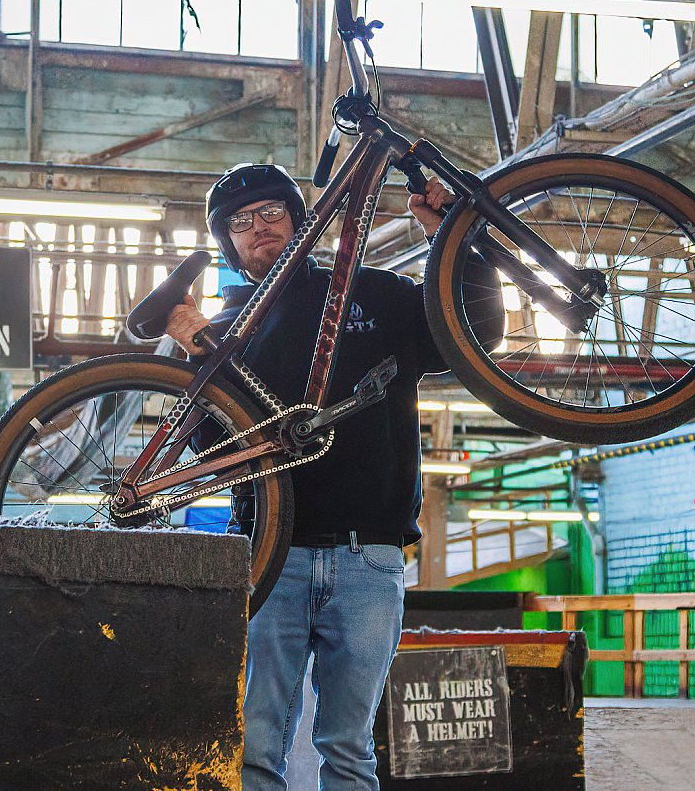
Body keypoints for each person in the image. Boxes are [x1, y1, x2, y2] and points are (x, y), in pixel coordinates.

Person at [166, 163, 501, 790]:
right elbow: (208, 448)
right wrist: (196, 356)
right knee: (254, 746)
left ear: (299, 222)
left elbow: (480, 334)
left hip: (368, 560)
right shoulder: (225, 328)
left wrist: (452, 237)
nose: (258, 228)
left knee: (349, 750)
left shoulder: (375, 294)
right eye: (239, 224)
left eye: (271, 212)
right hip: (270, 560)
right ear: (227, 245)